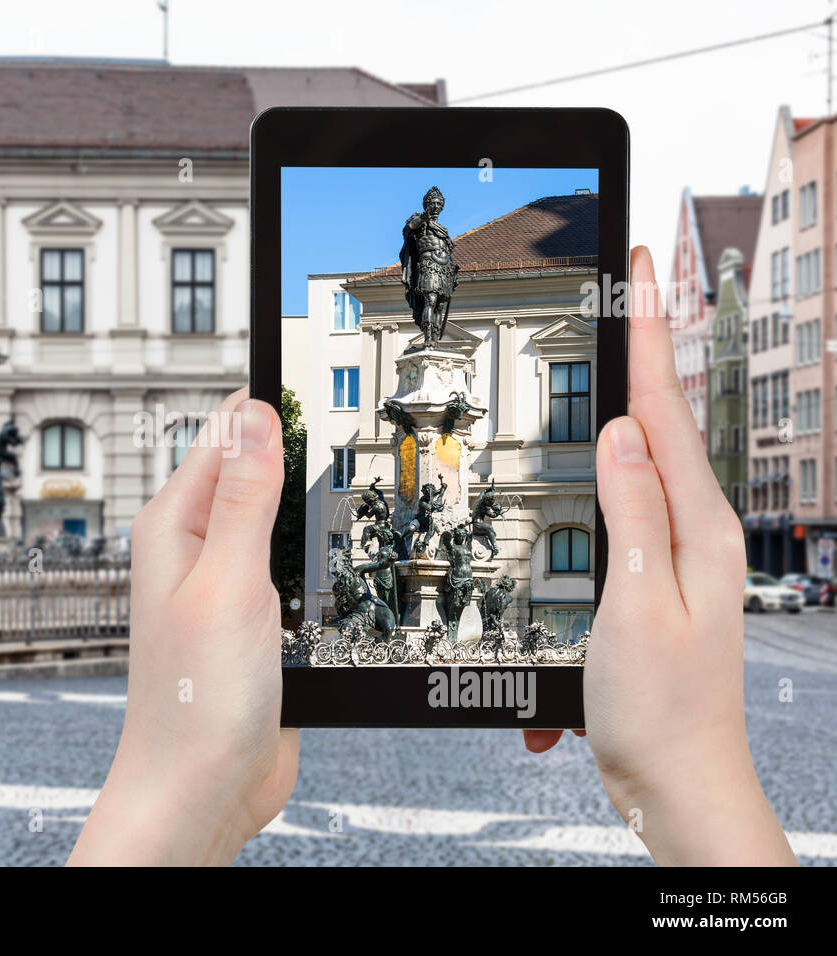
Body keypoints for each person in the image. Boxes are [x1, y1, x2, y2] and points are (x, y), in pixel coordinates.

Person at [68, 248, 796, 867]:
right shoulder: (407, 447)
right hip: (422, 536)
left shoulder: (449, 447)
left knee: (440, 524)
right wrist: (692, 789)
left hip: (435, 532)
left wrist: (176, 807)